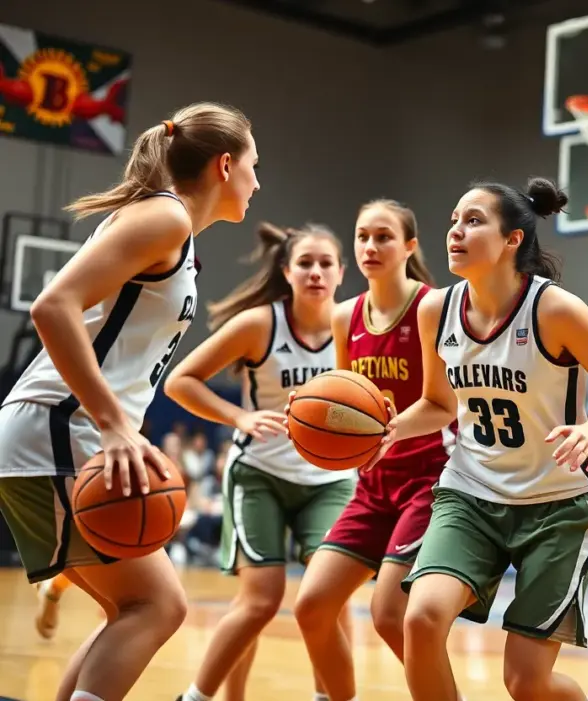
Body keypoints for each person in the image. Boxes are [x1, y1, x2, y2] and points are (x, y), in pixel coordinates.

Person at [0, 102, 258, 701]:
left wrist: (119, 425)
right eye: (254, 165)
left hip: (60, 432)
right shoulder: (164, 218)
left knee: (137, 609)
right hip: (58, 428)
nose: (258, 181)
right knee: (158, 606)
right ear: (225, 166)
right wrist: (116, 424)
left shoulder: (177, 234)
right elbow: (51, 307)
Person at [357, 177, 588, 701]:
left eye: (473, 221)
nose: (456, 232)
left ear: (513, 239)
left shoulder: (555, 309)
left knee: (525, 683)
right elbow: (440, 404)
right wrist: (393, 427)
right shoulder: (435, 310)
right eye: (453, 221)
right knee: (418, 619)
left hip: (558, 503)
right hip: (471, 491)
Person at [165, 222, 356, 701]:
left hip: (331, 481)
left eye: (325, 263)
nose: (315, 272)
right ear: (287, 271)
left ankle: (329, 696)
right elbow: (180, 381)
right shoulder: (260, 324)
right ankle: (206, 698)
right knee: (259, 601)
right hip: (260, 474)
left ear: (341, 273)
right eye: (305, 263)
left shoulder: (356, 327)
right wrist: (240, 417)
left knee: (330, 599)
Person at [291, 199, 455, 701]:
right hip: (372, 486)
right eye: (362, 236)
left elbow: (441, 406)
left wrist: (386, 431)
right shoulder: (345, 316)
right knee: (312, 606)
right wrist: (314, 421)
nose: (370, 247)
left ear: (409, 246)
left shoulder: (432, 306)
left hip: (429, 479)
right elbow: (343, 400)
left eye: (383, 237)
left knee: (389, 615)